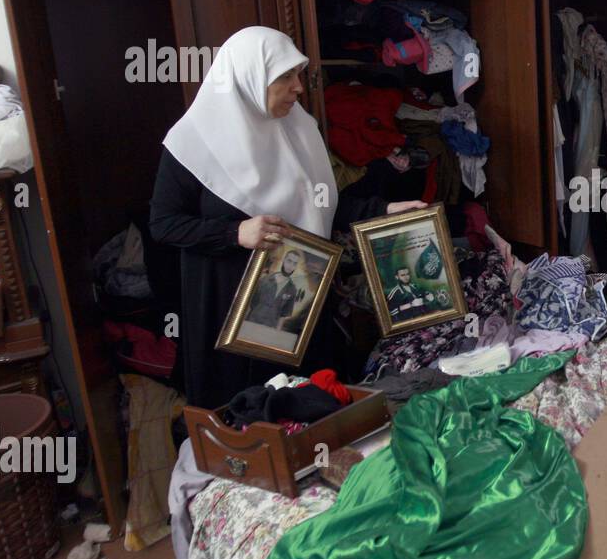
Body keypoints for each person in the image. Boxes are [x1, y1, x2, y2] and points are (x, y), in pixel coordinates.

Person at [150, 26, 423, 409]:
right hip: (230, 308)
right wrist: (235, 233)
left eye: (298, 74)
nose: (298, 87)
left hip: (298, 297)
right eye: (286, 76)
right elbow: (163, 224)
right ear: (249, 76)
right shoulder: (192, 143)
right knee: (247, 413)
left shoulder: (299, 129)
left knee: (308, 404)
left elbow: (321, 200)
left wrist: (383, 210)